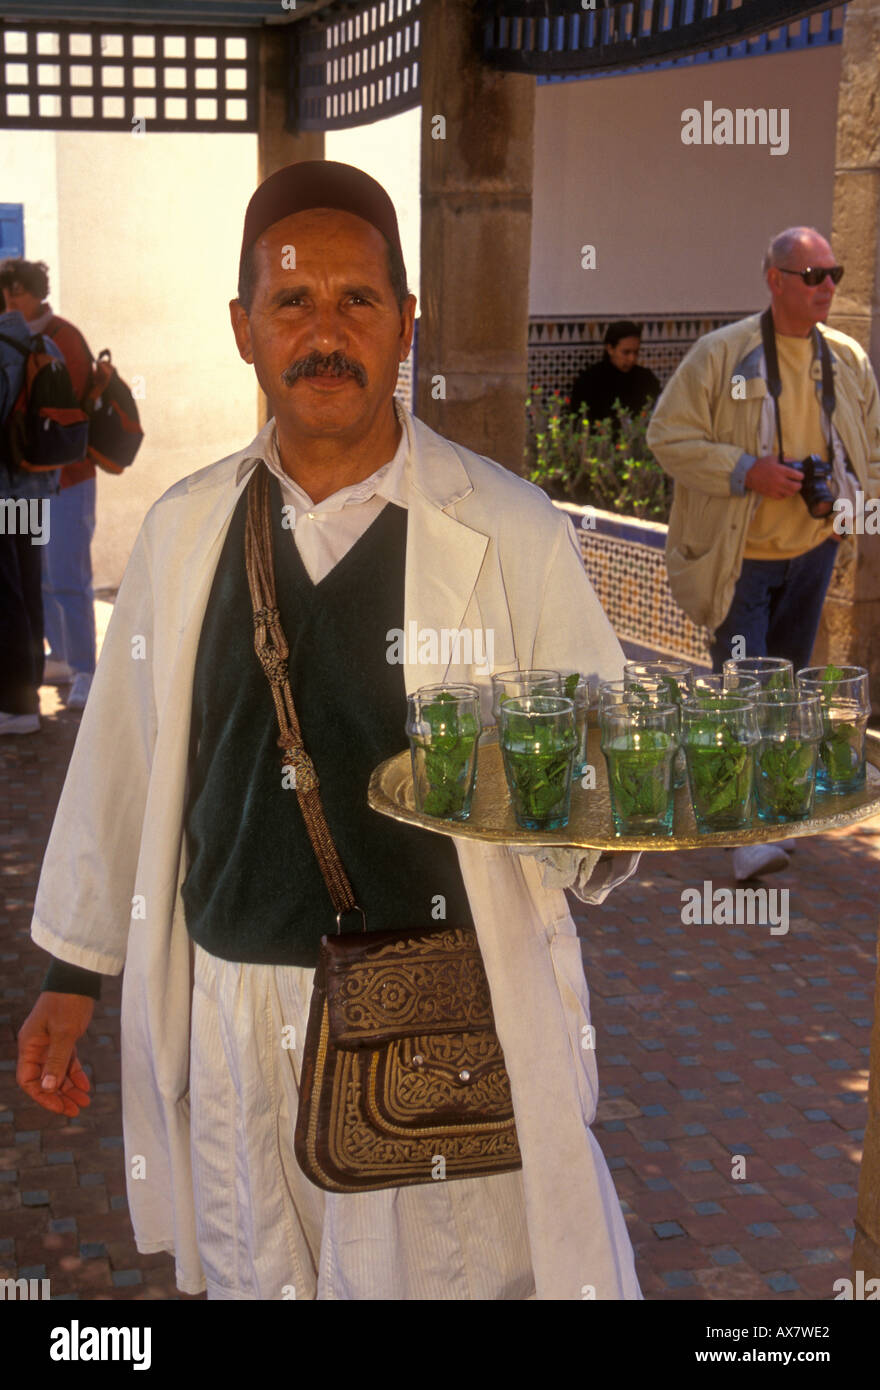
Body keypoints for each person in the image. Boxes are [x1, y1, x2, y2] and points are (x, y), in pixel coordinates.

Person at [17, 161, 643, 1301]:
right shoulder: (185, 529)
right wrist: (73, 972)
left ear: (408, 323)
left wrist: (611, 819)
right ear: (244, 327)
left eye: (359, 300)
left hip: (442, 1015)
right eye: (292, 301)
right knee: (267, 1280)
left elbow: (598, 767)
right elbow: (127, 764)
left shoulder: (507, 528)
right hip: (237, 1010)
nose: (325, 331)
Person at [647, 225, 880, 880]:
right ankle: (743, 831)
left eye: (834, 274)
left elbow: (876, 451)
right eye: (814, 276)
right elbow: (665, 435)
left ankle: (763, 815)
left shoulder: (848, 360)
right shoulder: (723, 354)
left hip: (812, 554)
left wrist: (851, 512)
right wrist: (746, 469)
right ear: (775, 280)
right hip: (740, 557)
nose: (827, 287)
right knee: (743, 691)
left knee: (783, 690)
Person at [0, 259, 96, 711]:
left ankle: (86, 671)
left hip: (66, 480)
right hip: (31, 486)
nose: (12, 298)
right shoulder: (21, 338)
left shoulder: (60, 337)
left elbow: (68, 409)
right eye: (8, 290)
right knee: (35, 578)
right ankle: (57, 658)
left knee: (67, 577)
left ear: (37, 292)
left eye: (19, 290)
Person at [0, 307, 62, 734]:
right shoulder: (44, 344)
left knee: (6, 595)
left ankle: (16, 705)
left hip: (4, 491)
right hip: (36, 491)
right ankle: (28, 698)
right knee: (27, 590)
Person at [569, 320, 660, 432]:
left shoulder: (646, 379)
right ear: (610, 349)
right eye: (626, 352)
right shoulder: (590, 381)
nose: (632, 359)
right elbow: (581, 424)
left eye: (636, 352)